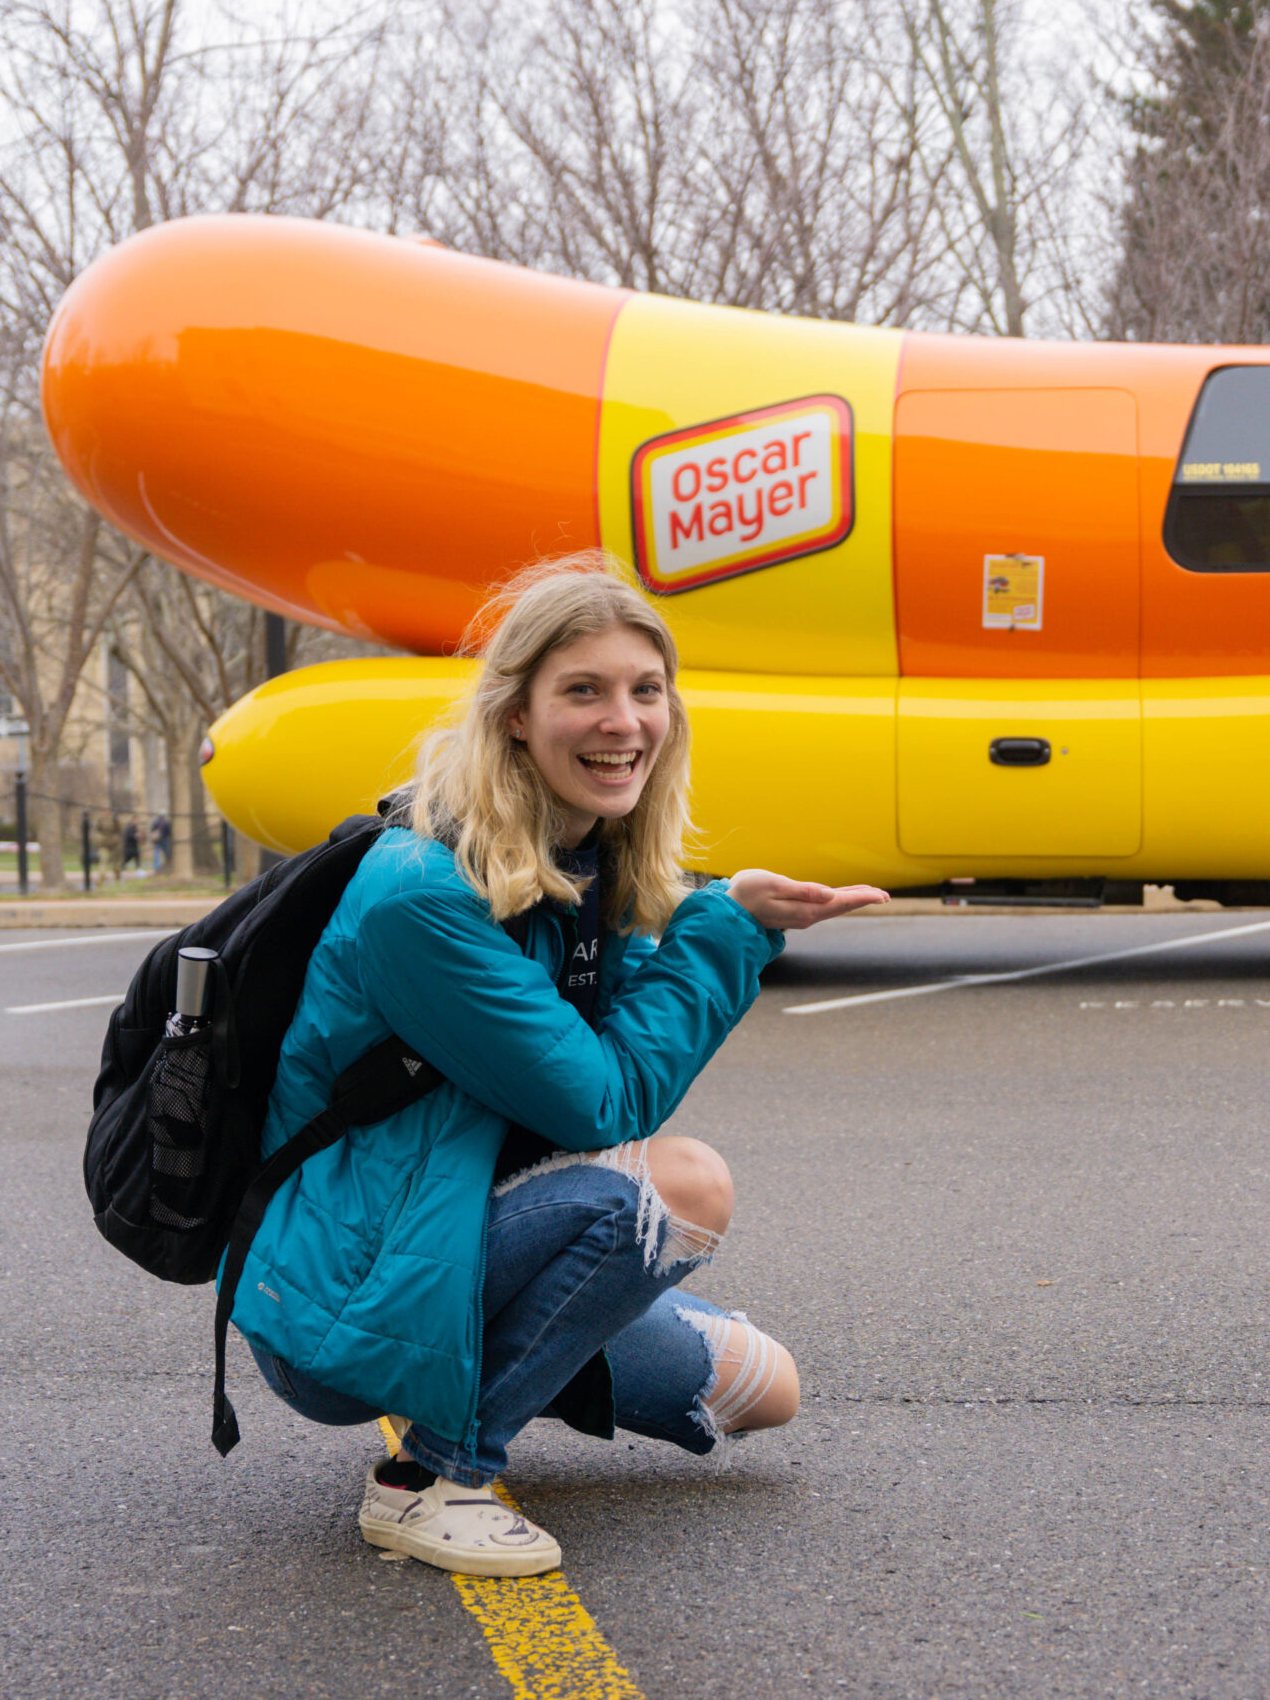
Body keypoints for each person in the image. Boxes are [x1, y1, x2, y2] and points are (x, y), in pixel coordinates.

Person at [233, 555, 886, 1577]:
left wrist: (710, 914)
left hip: (465, 1234)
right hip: (353, 1289)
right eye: (582, 691)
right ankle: (429, 1480)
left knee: (767, 1390)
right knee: (685, 1188)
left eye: (644, 690)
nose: (621, 720)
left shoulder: (590, 860)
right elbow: (604, 1103)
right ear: (514, 718)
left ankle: (515, 1346)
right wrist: (726, 934)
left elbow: (604, 1068)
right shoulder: (422, 895)